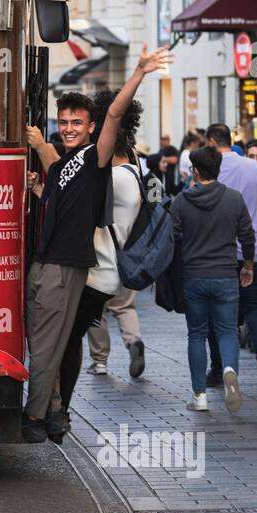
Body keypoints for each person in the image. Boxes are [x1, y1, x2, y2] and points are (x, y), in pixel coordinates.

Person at [22, 45, 172, 443]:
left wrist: (139, 72)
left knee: (53, 347)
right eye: (64, 121)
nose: (69, 127)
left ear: (92, 127)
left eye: (77, 122)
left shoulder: (95, 159)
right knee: (51, 344)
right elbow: (61, 196)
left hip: (76, 268)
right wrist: (39, 185)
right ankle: (54, 412)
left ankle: (43, 417)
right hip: (48, 261)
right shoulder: (67, 164)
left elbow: (115, 114)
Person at [171, 146, 255, 412]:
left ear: (195, 171)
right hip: (225, 275)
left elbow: (172, 238)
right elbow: (247, 236)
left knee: (196, 334)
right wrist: (248, 267)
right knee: (227, 331)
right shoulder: (234, 199)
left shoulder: (181, 202)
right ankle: (229, 368)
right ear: (218, 169)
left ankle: (200, 396)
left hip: (194, 276)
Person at [202, 123, 257, 389]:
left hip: (218, 252)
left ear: (211, 141)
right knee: (254, 305)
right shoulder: (254, 166)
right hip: (252, 251)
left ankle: (217, 369)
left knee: (217, 313)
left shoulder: (209, 169)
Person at [85, 92, 147, 381]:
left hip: (102, 252)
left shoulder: (107, 176)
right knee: (125, 304)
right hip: (130, 251)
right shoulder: (136, 166)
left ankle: (99, 361)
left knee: (97, 308)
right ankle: (134, 342)